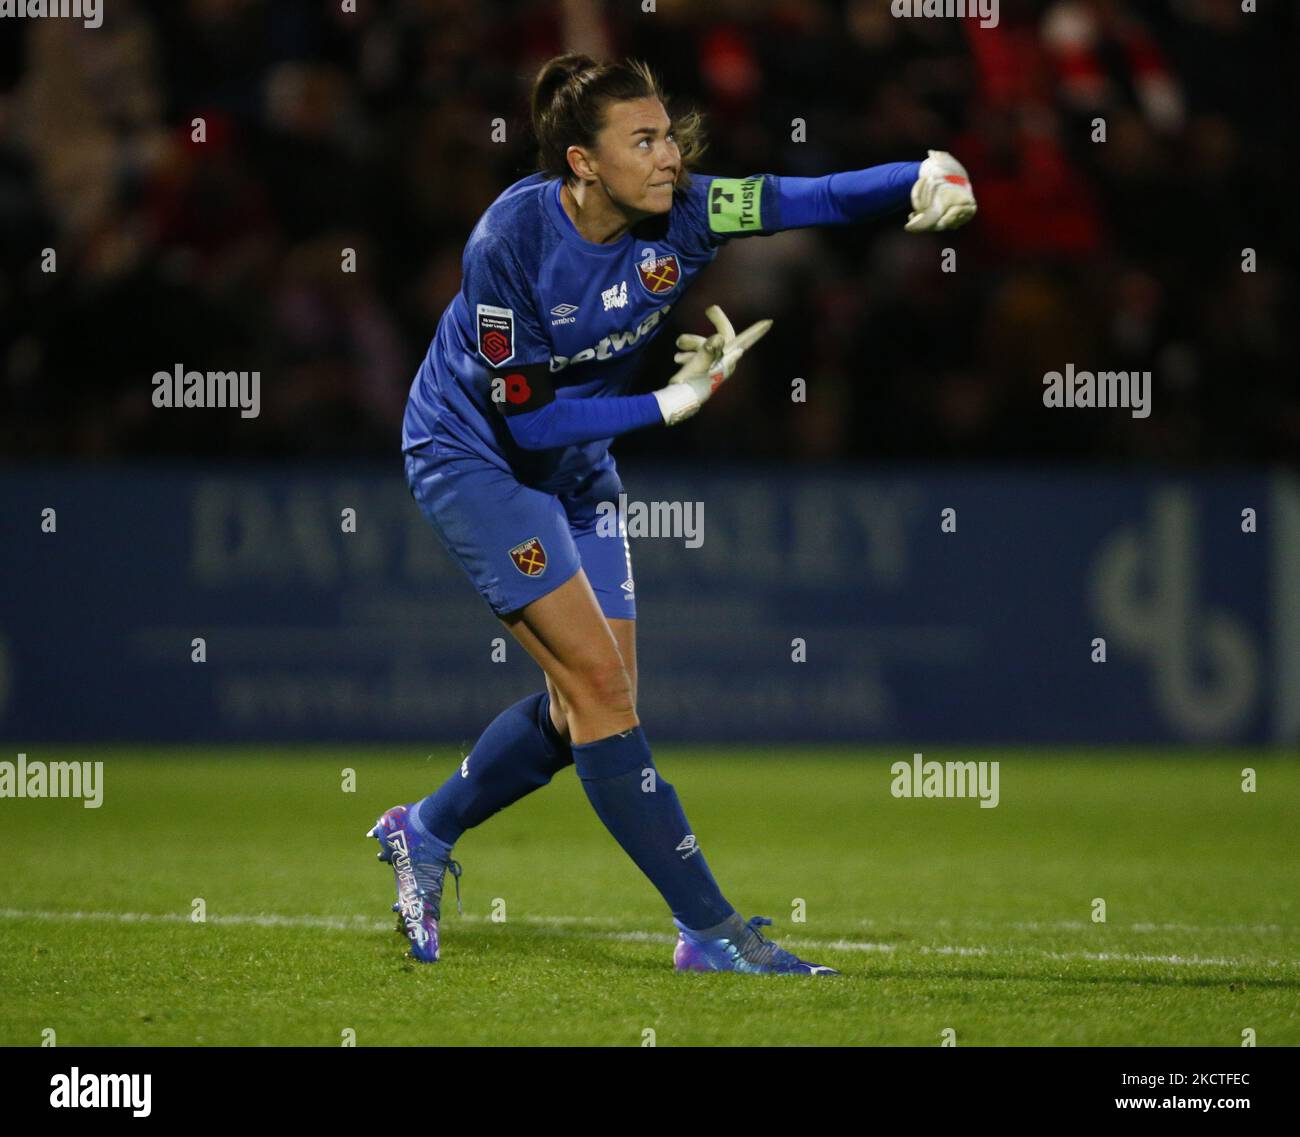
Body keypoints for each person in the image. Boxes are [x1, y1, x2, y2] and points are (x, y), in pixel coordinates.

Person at [369, 53, 976, 974]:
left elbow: (797, 198)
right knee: (602, 696)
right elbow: (524, 413)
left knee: (591, 711)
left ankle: (429, 825)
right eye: (643, 140)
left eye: (668, 133)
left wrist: (920, 176)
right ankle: (711, 930)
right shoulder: (509, 244)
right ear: (582, 162)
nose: (669, 156)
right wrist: (670, 405)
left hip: (574, 465)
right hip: (477, 459)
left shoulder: (686, 211)